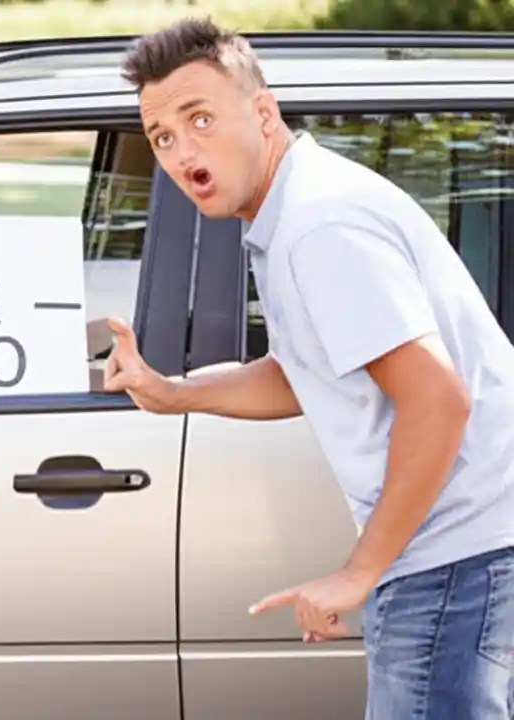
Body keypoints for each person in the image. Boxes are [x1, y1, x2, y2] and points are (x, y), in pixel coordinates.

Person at [106, 17, 514, 719]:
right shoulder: (295, 212)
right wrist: (173, 393)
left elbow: (437, 400)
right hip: (467, 555)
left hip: (455, 563)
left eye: (200, 118)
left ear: (263, 112)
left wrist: (360, 572)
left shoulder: (320, 227)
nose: (180, 151)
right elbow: (308, 372)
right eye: (163, 137)